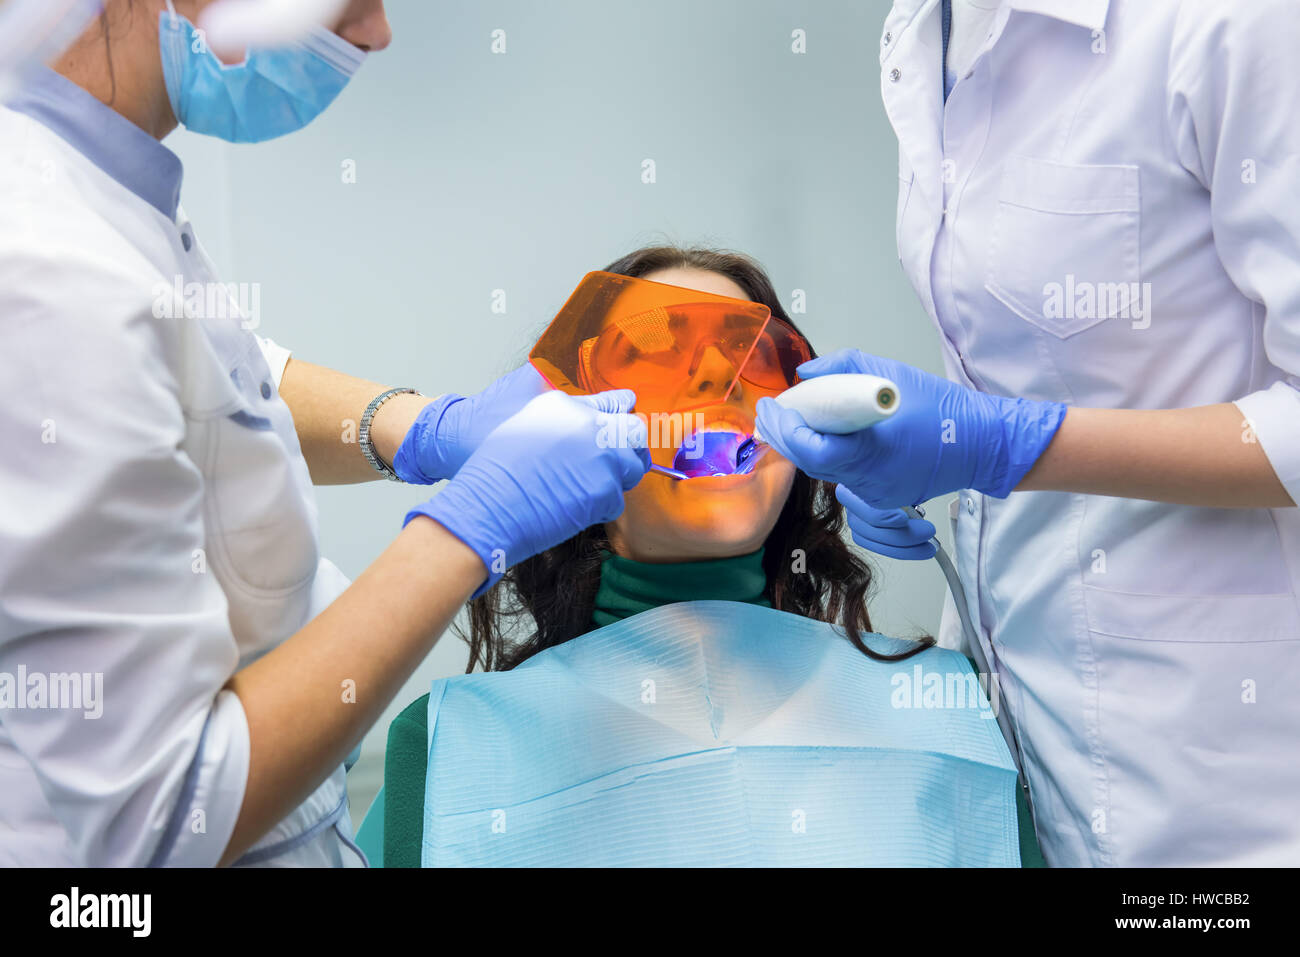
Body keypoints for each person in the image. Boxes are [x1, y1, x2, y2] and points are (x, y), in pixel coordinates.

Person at [0, 0, 649, 866]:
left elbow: (205, 379)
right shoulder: (44, 269)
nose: (376, 33)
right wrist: (468, 528)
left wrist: (426, 429)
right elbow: (160, 821)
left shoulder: (93, 185)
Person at [756, 0, 1300, 866]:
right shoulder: (920, 30)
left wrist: (1005, 445)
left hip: (1238, 784)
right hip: (1033, 744)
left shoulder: (1229, 22)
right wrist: (933, 455)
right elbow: (1031, 356)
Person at [379, 246, 1045, 867]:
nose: (714, 383)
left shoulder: (945, 706)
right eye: (655, 354)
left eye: (753, 357)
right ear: (563, 431)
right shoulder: (448, 745)